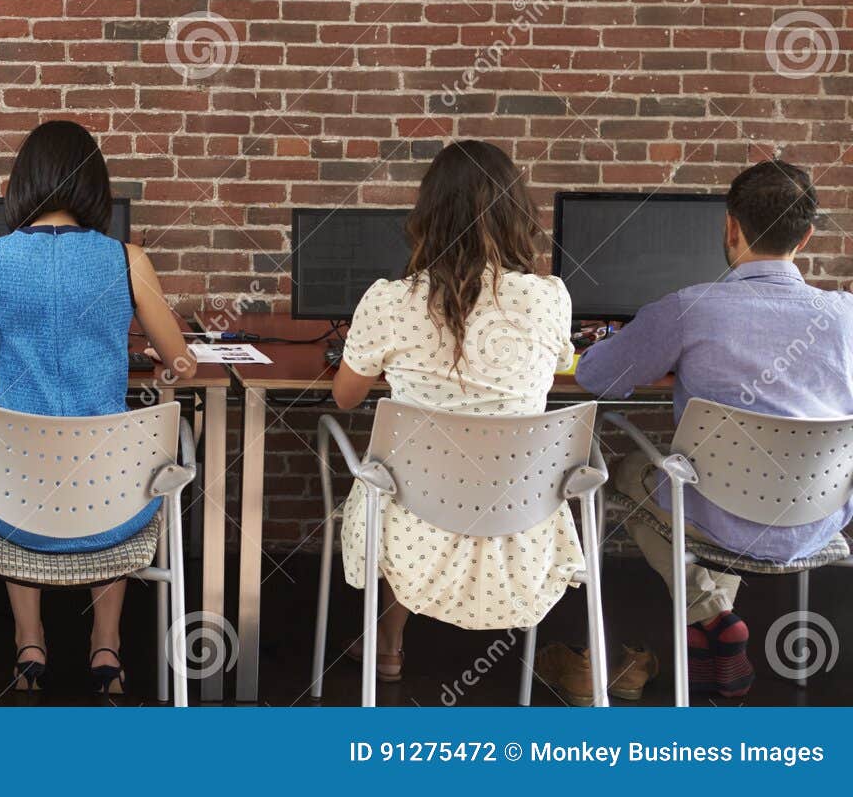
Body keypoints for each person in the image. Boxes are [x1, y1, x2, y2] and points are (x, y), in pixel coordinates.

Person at [568, 158, 853, 701]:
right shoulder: (845, 317)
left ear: (730, 226)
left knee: (632, 473)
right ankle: (708, 643)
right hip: (816, 517)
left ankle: (711, 614)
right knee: (710, 479)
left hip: (720, 517)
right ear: (808, 235)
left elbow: (596, 375)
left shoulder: (689, 309)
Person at [0, 119, 196, 697]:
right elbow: (181, 360)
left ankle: (30, 643)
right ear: (95, 185)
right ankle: (106, 647)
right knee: (122, 462)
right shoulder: (127, 259)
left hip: (12, 504)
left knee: (19, 449)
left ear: (23, 184)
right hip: (111, 505)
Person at [330, 140, 579, 683]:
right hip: (518, 511)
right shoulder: (549, 298)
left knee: (398, 475)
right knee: (424, 471)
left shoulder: (390, 300)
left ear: (427, 218)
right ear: (517, 216)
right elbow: (563, 365)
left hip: (414, 518)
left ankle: (388, 646)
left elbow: (345, 398)